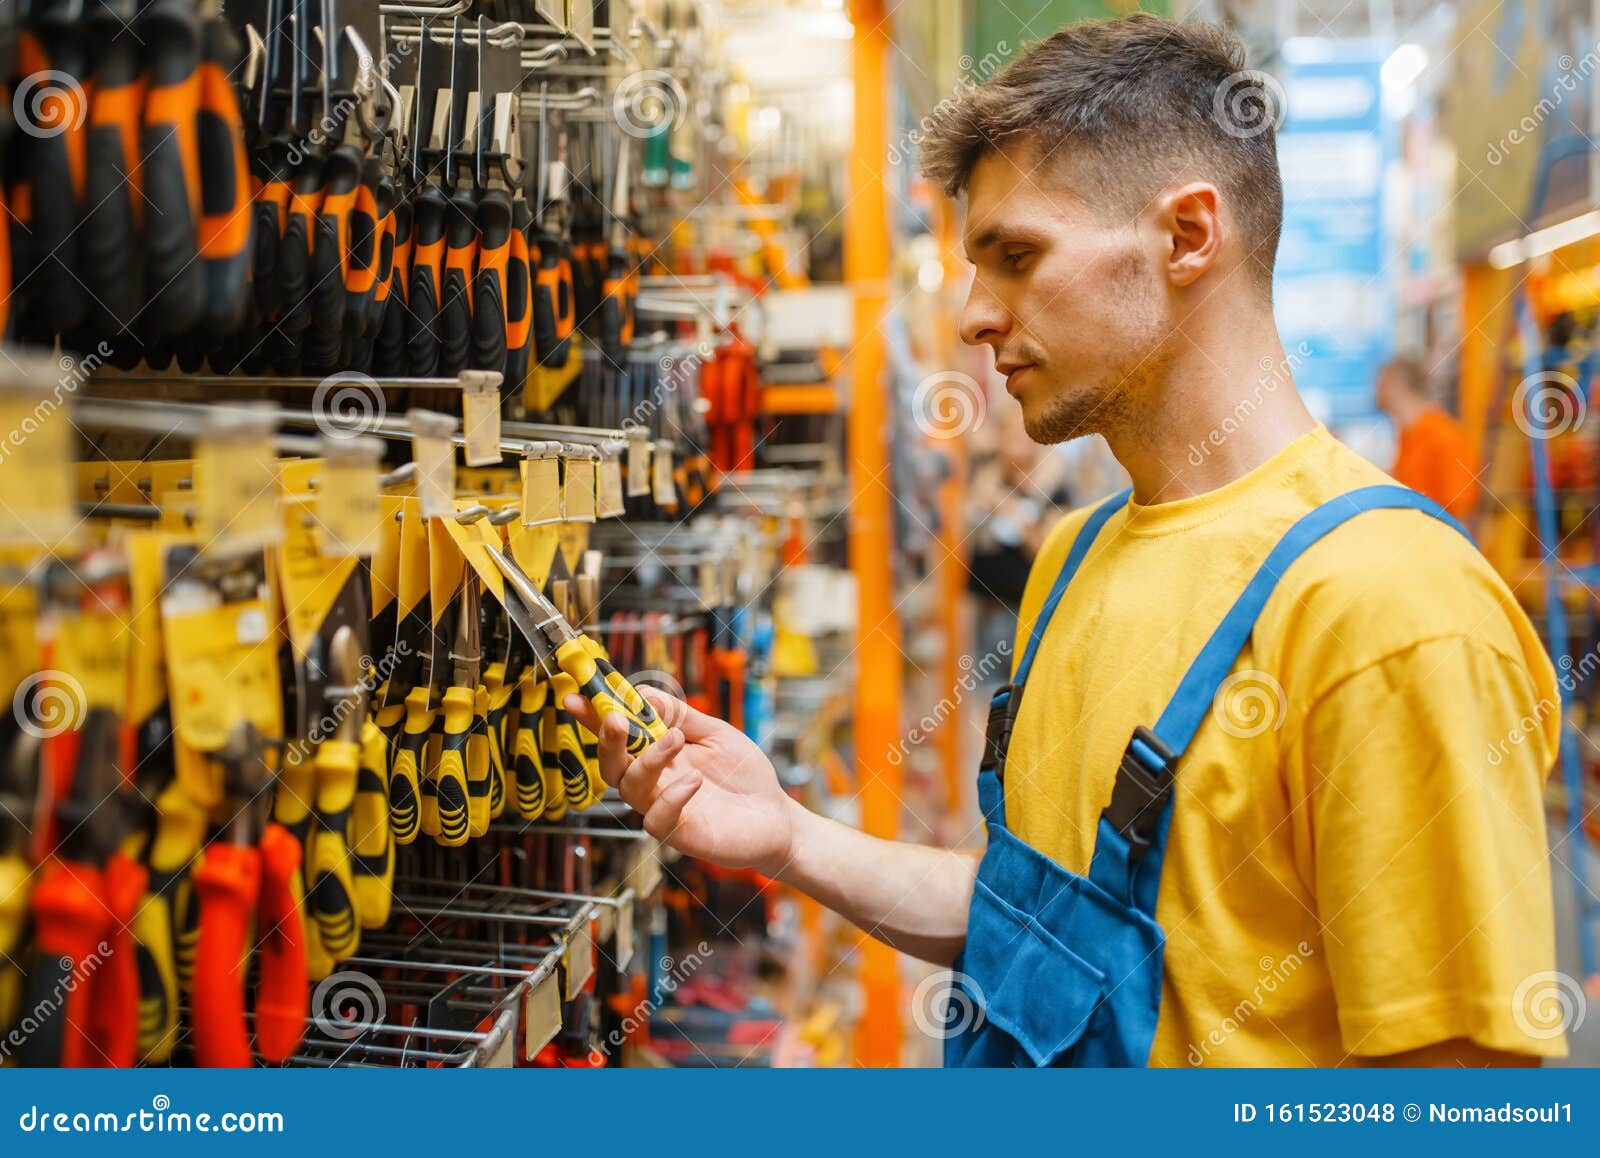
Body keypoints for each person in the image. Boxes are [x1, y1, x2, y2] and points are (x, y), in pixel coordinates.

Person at [565, 14, 1562, 1067]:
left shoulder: (1387, 614)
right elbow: (1033, 923)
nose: (970, 317)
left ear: (1186, 237)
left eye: (1016, 256)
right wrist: (791, 838)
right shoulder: (1073, 560)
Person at [1375, 355, 1480, 520]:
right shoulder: (1408, 434)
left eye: (1380, 383)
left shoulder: (1443, 435)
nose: (1375, 390)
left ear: (1396, 385)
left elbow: (1463, 513)